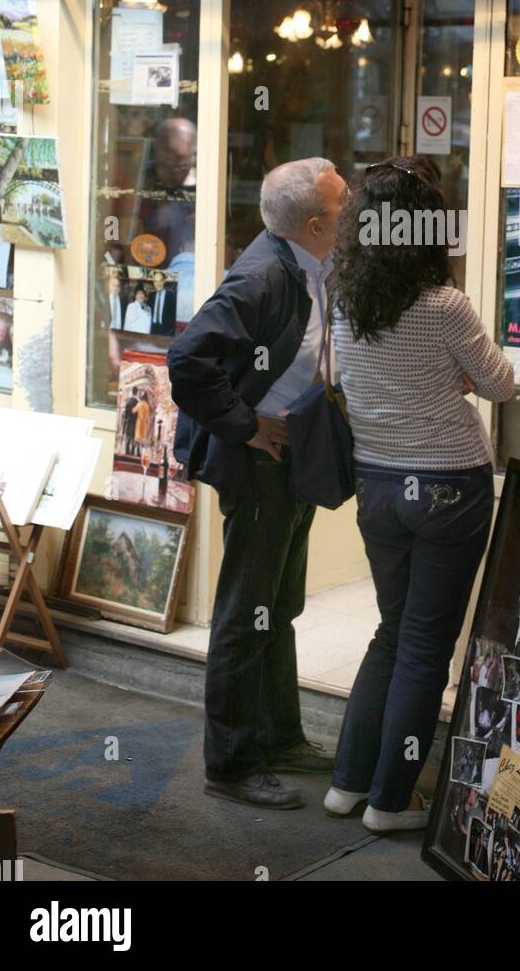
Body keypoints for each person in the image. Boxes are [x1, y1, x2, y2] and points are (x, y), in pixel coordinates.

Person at [324, 155, 515, 831]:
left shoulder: (343, 300)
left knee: (390, 631)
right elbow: (499, 384)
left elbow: (355, 382)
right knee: (427, 647)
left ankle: (347, 784)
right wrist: (453, 378)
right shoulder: (444, 306)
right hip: (447, 488)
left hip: (378, 485)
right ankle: (392, 799)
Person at [168, 157, 348, 811]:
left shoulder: (304, 258)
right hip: (257, 461)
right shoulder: (263, 276)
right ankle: (233, 763)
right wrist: (244, 426)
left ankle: (279, 736)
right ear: (314, 223)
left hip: (290, 453)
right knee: (246, 612)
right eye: (343, 201)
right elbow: (188, 362)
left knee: (281, 603)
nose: (351, 208)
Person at [132, 117, 198, 262]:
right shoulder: (140, 180)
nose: (171, 173)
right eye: (163, 164)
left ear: (194, 157)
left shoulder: (208, 185)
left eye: (179, 165)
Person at [148, 269, 176, 336]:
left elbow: (173, 317)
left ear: (164, 281)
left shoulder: (171, 296)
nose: (158, 284)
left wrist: (170, 332)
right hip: (152, 329)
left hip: (166, 331)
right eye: (156, 281)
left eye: (160, 280)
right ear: (153, 283)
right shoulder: (151, 296)